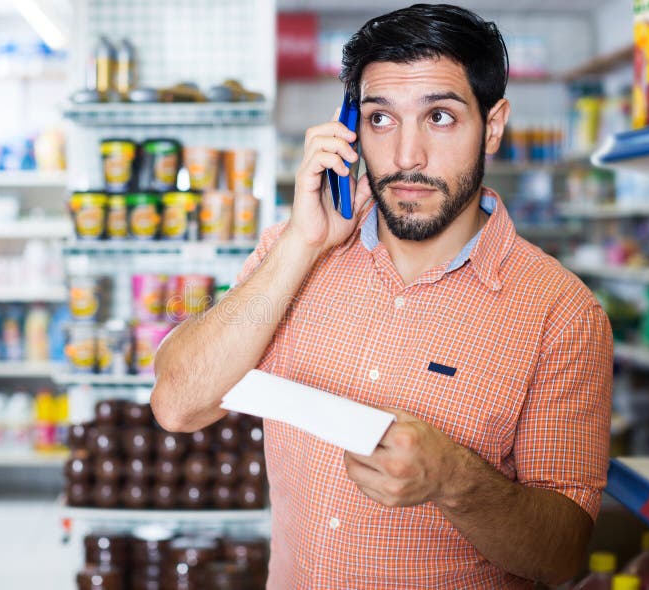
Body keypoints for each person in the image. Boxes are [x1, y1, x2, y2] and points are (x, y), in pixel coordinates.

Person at [151, 4, 613, 588]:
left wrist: (453, 478)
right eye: (380, 119)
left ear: (492, 126)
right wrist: (302, 243)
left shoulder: (563, 314)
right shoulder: (293, 253)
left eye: (440, 117)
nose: (405, 157)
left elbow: (562, 555)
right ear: (350, 128)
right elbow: (177, 403)